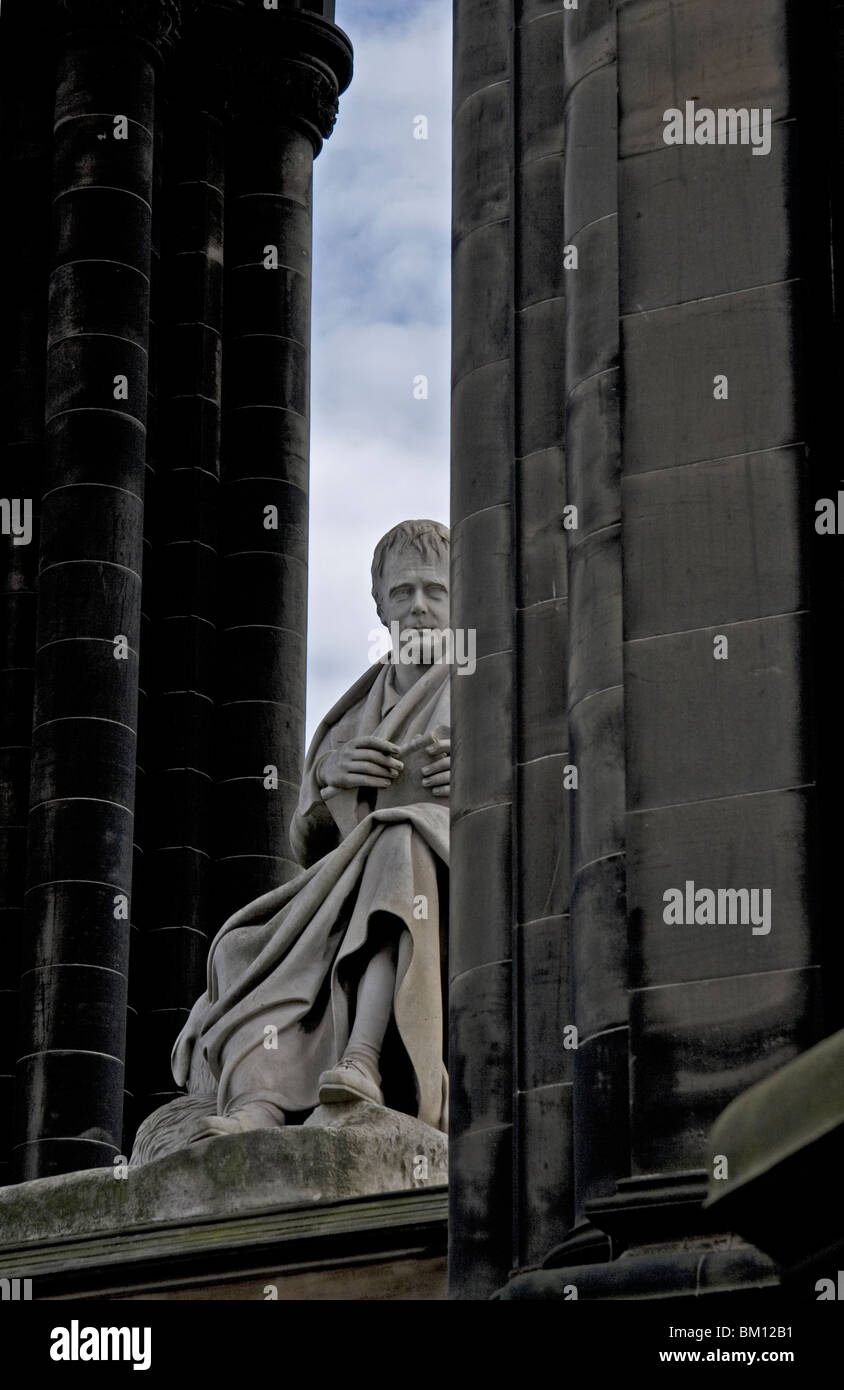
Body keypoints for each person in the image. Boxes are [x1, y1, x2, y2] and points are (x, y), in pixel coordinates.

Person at [169, 519, 452, 1136]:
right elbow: (308, 844)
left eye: (436, 591)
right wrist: (331, 776)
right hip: (346, 881)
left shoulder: (485, 688)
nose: (420, 608)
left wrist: (477, 777)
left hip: (442, 876)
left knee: (398, 841)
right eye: (403, 593)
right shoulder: (350, 713)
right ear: (380, 604)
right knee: (239, 947)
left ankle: (363, 1060)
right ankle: (261, 1103)